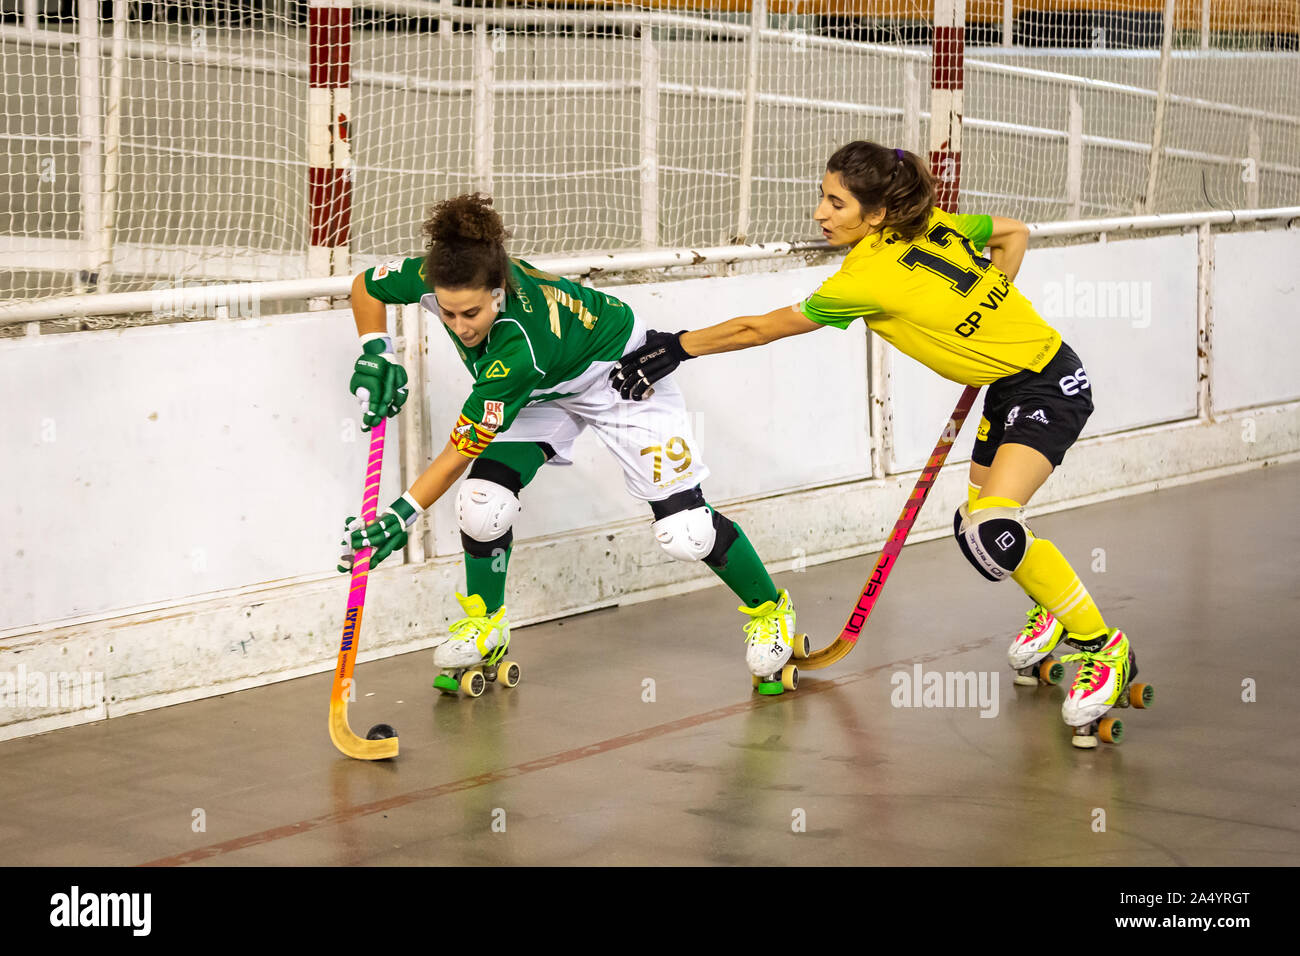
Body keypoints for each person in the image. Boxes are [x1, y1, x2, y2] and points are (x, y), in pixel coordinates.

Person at [610, 141, 1137, 745]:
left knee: (993, 525)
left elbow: (761, 328)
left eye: (836, 202)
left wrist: (675, 347)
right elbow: (1012, 235)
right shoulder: (936, 225)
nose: (819, 213)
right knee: (981, 530)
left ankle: (1105, 647)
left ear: (878, 214)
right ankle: (1052, 604)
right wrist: (990, 306)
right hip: (1008, 385)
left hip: (1050, 385)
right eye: (823, 197)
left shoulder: (867, 279)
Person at [339, 193, 805, 695]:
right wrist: (377, 349)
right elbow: (366, 287)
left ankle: (770, 611)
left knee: (685, 531)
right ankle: (487, 625)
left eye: (471, 313)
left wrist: (402, 514)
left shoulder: (518, 347)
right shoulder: (434, 274)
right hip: (546, 389)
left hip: (620, 375)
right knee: (482, 505)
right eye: (447, 314)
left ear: (498, 292)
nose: (460, 328)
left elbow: (460, 450)